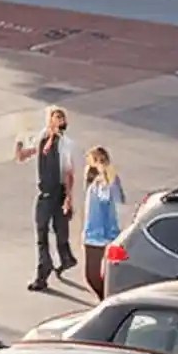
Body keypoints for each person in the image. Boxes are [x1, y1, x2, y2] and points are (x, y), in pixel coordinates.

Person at [15, 106, 77, 292]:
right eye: (54, 117)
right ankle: (53, 264)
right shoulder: (42, 137)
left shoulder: (66, 144)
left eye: (60, 118)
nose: (57, 121)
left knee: (58, 231)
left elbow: (68, 173)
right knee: (44, 232)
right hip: (46, 192)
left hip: (57, 193)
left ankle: (58, 262)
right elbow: (24, 155)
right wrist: (19, 141)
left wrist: (68, 197)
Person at [82, 146, 125, 300]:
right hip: (92, 234)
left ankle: (107, 301)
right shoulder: (94, 182)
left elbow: (116, 198)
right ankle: (105, 300)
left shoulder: (108, 181)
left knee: (98, 276)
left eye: (96, 161)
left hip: (103, 235)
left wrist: (106, 174)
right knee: (92, 276)